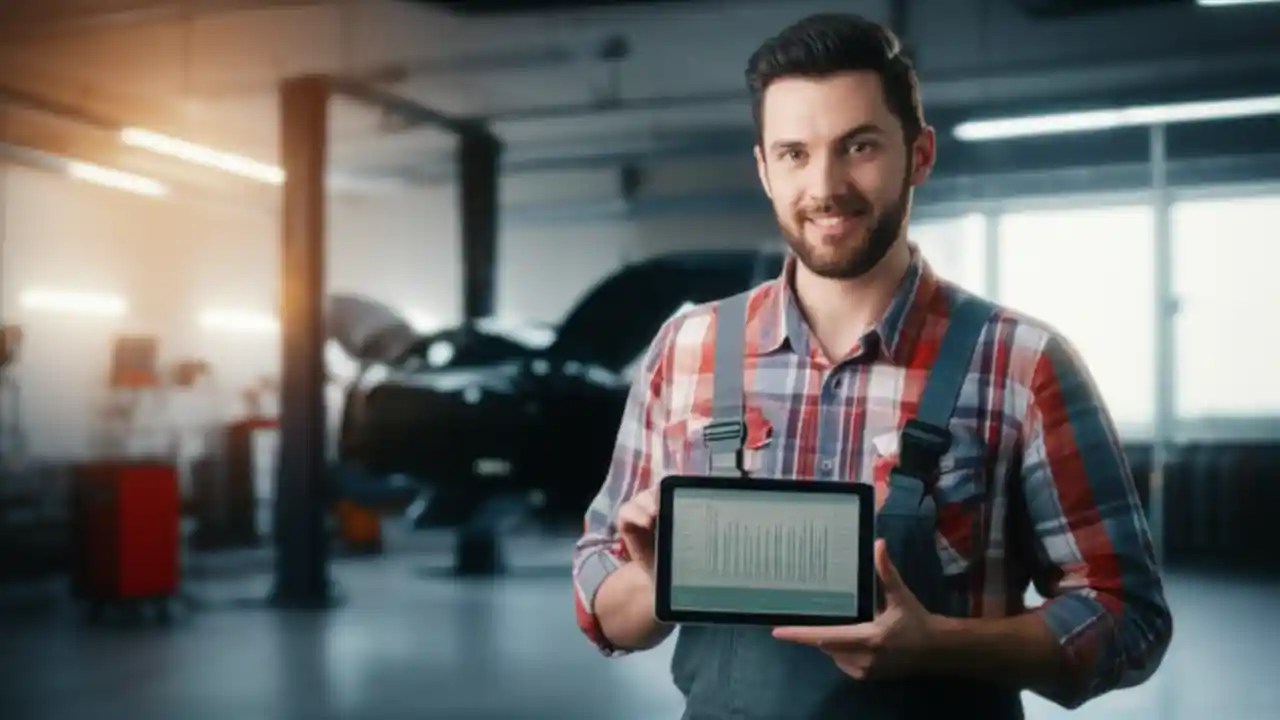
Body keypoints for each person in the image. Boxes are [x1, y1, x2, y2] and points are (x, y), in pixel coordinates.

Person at [571, 11, 1172, 719]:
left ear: (919, 154)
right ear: (764, 169)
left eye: (858, 146)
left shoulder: (1022, 363)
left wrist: (939, 644)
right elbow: (598, 581)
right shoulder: (687, 350)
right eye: (794, 153)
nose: (825, 186)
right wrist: (658, 582)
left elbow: (1126, 618)